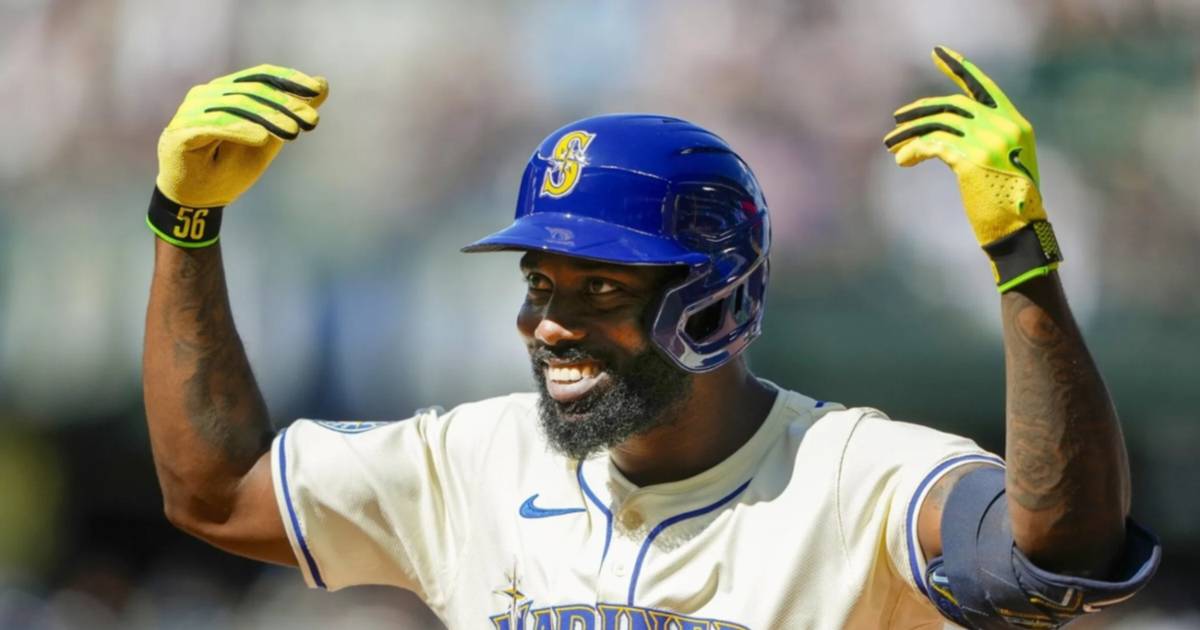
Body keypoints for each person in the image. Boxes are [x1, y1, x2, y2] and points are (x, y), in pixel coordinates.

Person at [142, 48, 1160, 629]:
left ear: (714, 301)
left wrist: (1023, 262)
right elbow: (216, 492)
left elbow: (1058, 557)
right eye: (540, 281)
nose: (551, 321)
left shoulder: (856, 476)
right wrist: (184, 228)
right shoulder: (470, 458)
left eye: (599, 287)